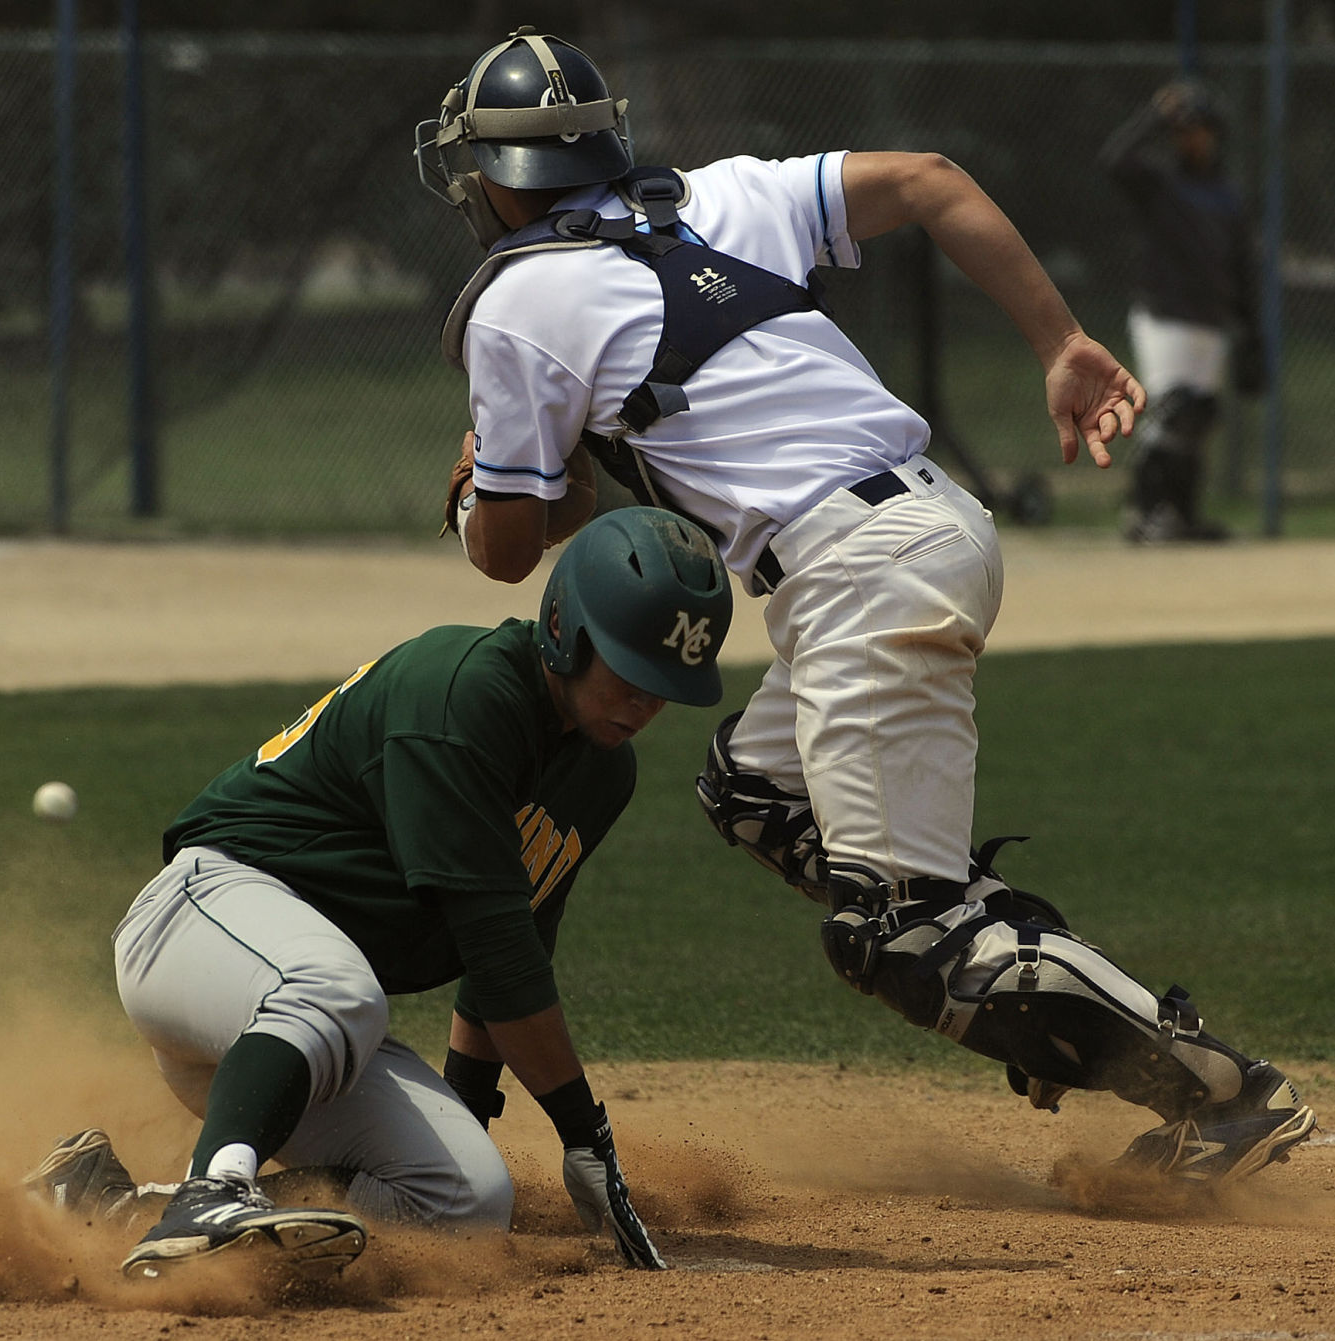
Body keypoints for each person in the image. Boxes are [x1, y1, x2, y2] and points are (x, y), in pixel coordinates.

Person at [417, 29, 1315, 1189]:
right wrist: (1061, 341)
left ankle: (1218, 1093)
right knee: (754, 788)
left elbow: (503, 553)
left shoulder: (517, 303)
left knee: (899, 941)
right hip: (921, 531)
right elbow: (932, 179)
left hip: (860, 572)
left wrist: (491, 470)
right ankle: (1013, 964)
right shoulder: (718, 196)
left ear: (498, 175)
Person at [33, 507, 732, 1278]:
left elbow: (507, 955)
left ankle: (109, 1199)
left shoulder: (600, 771)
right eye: (629, 668)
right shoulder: (465, 696)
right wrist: (581, 1130)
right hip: (203, 920)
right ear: (567, 626)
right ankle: (214, 1190)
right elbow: (500, 959)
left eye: (664, 683)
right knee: (338, 987)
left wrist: (463, 1109)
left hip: (303, 1033)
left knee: (464, 1198)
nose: (645, 701)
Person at [1100, 78, 1263, 543]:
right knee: (1174, 412)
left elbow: (1242, 267)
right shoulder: (1161, 182)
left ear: (1214, 133)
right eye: (1184, 130)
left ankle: (1183, 516)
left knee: (1202, 417)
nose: (1191, 138)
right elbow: (1114, 160)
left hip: (1211, 319)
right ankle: (1147, 514)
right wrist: (1156, 116)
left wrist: (1251, 331)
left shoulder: (1226, 195)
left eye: (1199, 128)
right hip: (1165, 313)